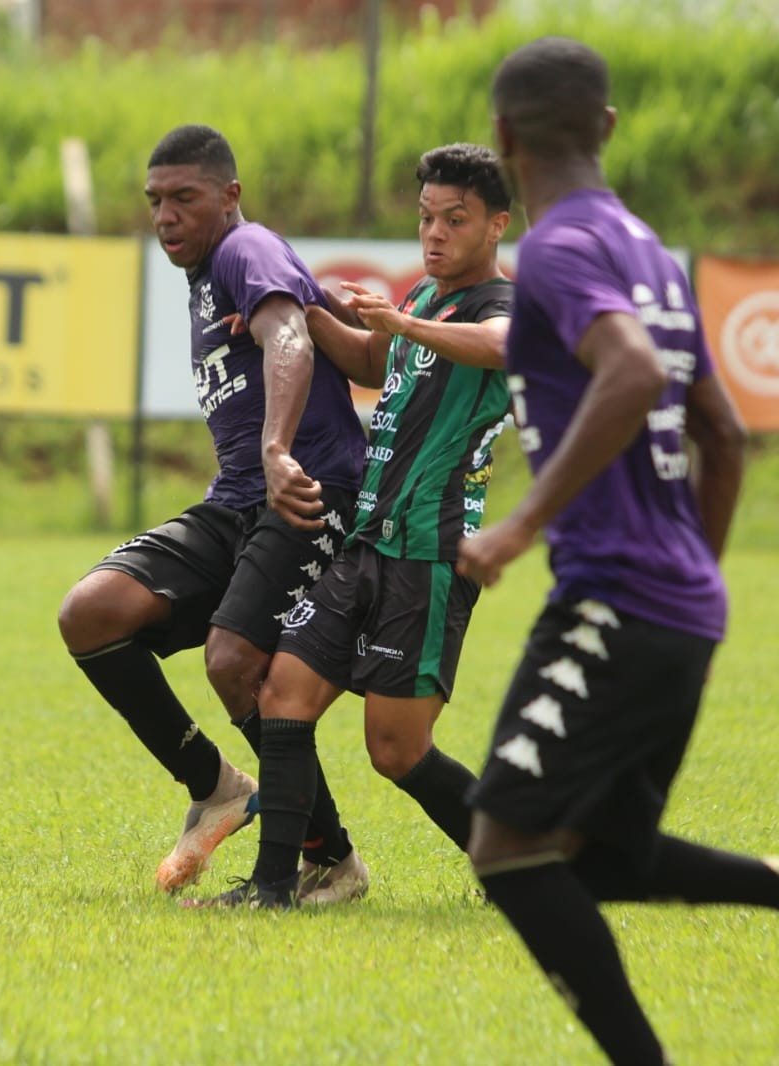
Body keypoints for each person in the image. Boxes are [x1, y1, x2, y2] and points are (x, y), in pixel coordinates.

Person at [455, 38, 779, 1063]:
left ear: (504, 139)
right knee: (601, 857)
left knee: (507, 847)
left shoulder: (563, 252)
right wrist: (692, 579)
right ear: (608, 128)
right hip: (675, 602)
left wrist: (521, 527)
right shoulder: (648, 251)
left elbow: (625, 374)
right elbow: (727, 435)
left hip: (618, 596)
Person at [191, 143, 515, 907]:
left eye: (454, 220)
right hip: (365, 544)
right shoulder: (431, 301)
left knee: (396, 751)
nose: (433, 234)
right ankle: (275, 889)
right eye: (425, 218)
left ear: (497, 225)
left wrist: (402, 320)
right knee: (281, 693)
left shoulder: (503, 306)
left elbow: (507, 349)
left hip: (430, 558)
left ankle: (518, 863)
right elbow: (371, 362)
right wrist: (296, 309)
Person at [57, 124, 371, 901]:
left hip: (307, 489)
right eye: (154, 201)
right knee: (92, 613)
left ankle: (329, 861)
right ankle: (217, 786)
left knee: (233, 659)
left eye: (184, 198)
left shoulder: (244, 249)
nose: (165, 215)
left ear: (229, 197)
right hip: (234, 500)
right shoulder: (204, 274)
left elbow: (290, 338)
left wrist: (276, 451)